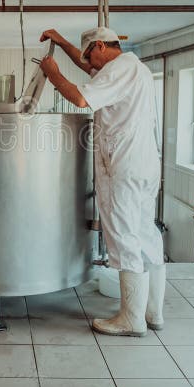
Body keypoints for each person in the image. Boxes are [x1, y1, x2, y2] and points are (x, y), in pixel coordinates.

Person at [39, 26, 165, 337]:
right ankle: (153, 312)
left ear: (100, 46)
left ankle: (131, 320)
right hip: (145, 165)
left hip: (123, 166)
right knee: (146, 234)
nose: (90, 64)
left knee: (124, 238)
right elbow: (90, 69)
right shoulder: (135, 68)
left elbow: (81, 99)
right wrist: (62, 42)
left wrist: (53, 74)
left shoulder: (120, 68)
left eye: (90, 55)